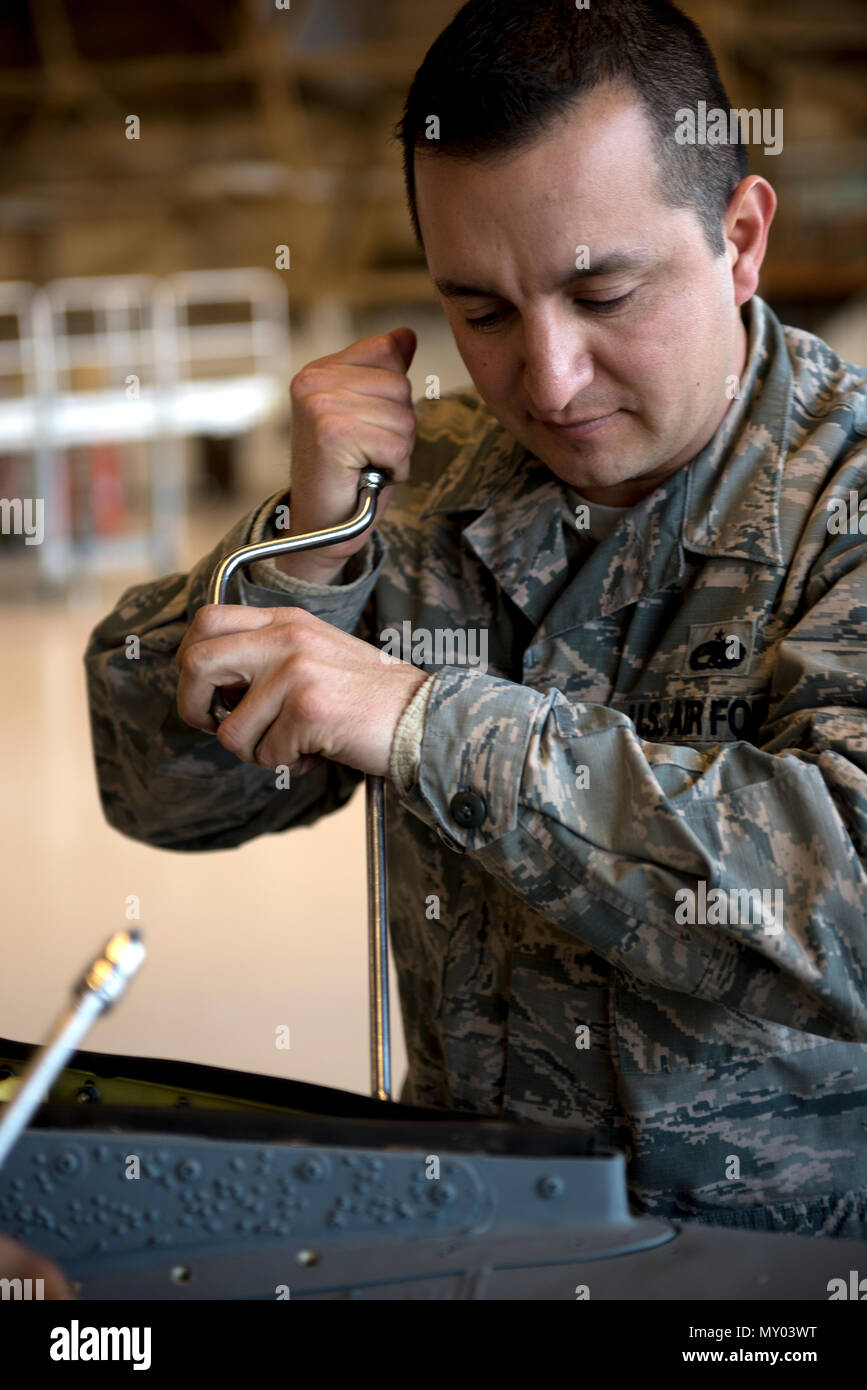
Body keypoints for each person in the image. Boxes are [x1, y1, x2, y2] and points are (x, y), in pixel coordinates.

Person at [84, 0, 867, 1238]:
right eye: (484, 313)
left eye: (604, 292)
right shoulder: (423, 484)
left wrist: (425, 723)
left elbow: (853, 901)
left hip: (778, 1280)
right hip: (467, 1243)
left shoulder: (848, 491)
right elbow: (163, 790)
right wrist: (306, 553)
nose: (547, 380)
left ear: (743, 235)